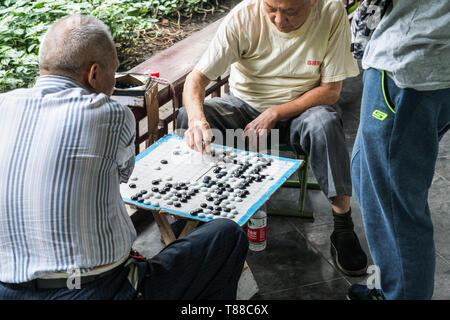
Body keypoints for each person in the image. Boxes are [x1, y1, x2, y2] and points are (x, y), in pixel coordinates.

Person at [0, 15, 248, 300]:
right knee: (226, 235)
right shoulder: (110, 114)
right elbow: (123, 174)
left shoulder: (3, 104)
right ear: (93, 74)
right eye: (114, 74)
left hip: (8, 288)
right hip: (94, 290)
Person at [177, 0, 368, 276]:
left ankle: (343, 227)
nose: (280, 20)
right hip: (245, 107)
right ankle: (199, 216)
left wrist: (275, 112)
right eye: (272, 9)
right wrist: (197, 120)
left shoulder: (331, 10)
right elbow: (196, 80)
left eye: (291, 11)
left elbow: (330, 91)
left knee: (325, 123)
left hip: (303, 108)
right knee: (188, 116)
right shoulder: (244, 15)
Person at [348, 0, 450, 300]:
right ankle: (391, 284)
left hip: (410, 63)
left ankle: (402, 293)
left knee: (396, 205)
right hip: (426, 59)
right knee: (366, 175)